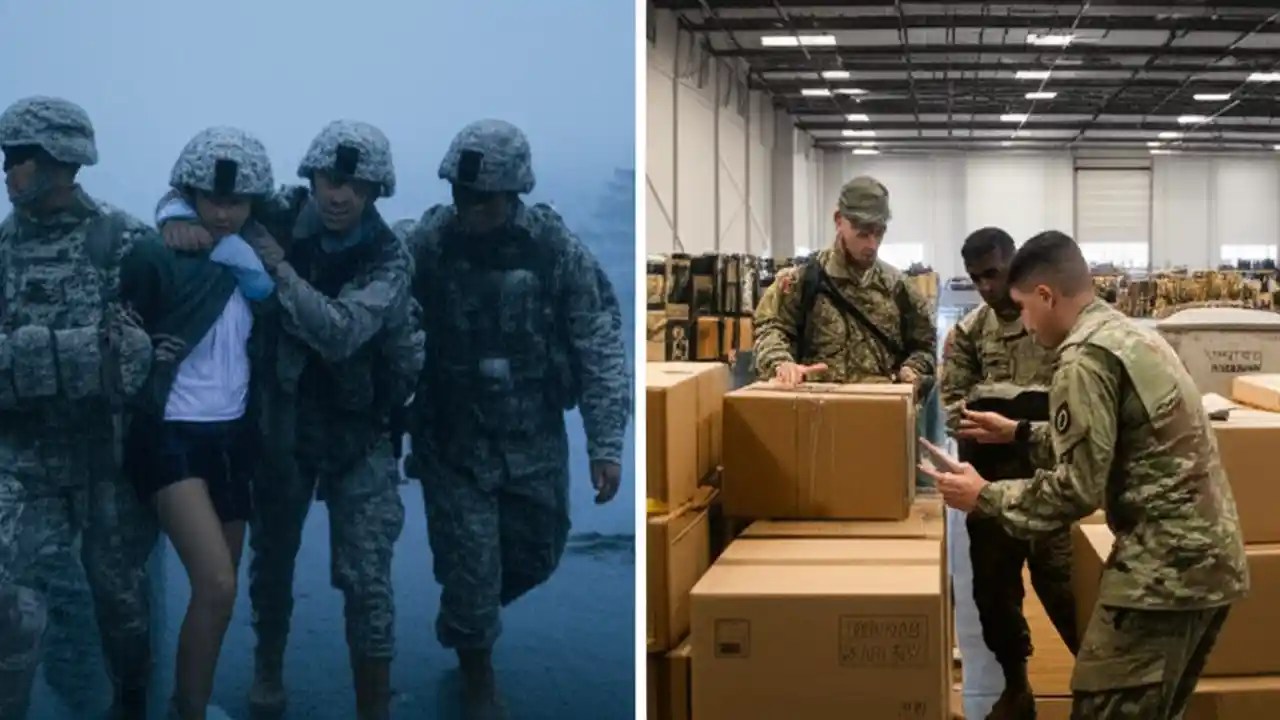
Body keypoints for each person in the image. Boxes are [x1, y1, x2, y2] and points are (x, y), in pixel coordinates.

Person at [156, 120, 424, 720]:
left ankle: (373, 707)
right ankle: (268, 673)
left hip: (362, 434)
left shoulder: (388, 258)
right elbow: (218, 193)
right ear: (312, 177)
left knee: (366, 579)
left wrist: (272, 263)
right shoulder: (280, 210)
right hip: (284, 425)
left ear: (376, 191)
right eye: (331, 178)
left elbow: (337, 332)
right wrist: (173, 210)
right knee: (271, 563)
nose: (339, 195)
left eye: (356, 184)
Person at [921, 231, 1249, 720]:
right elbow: (1108, 441)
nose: (1026, 327)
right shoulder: (1132, 335)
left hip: (1161, 575)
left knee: (1101, 706)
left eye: (1024, 308)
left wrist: (983, 496)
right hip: (1210, 561)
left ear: (1046, 297)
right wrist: (1016, 433)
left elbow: (1077, 488)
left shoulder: (1082, 358)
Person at [401, 119, 630, 719]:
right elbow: (377, 288)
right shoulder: (428, 242)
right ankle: (477, 672)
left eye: (483, 199)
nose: (469, 209)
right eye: (461, 195)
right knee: (473, 571)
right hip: (453, 439)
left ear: (513, 195)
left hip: (533, 438)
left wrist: (605, 444)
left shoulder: (553, 249)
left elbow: (599, 342)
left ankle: (465, 611)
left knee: (537, 555)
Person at [0, 95, 159, 720]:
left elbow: (139, 361)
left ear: (63, 162)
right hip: (24, 461)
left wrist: (28, 359)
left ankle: (132, 702)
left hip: (107, 460)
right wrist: (78, 358)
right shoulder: (4, 249)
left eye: (18, 159)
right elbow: (105, 358)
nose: (7, 171)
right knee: (12, 603)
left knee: (122, 606)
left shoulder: (124, 242)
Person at [121, 126, 278, 720]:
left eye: (235, 202)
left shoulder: (252, 252)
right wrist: (168, 216)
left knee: (222, 591)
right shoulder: (157, 252)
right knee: (215, 583)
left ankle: (190, 702)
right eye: (209, 199)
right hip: (169, 435)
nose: (222, 212)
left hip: (233, 435)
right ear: (188, 193)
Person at [939, 227, 1077, 719]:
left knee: (1064, 589)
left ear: (1014, 263)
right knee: (993, 594)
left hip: (1048, 482)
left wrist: (1013, 414)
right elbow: (953, 404)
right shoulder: (970, 333)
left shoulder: (1052, 319)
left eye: (993, 274)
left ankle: (1097, 687)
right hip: (991, 483)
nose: (985, 287)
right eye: (976, 278)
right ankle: (1016, 686)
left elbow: (1078, 405)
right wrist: (988, 416)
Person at [751, 175, 936, 394]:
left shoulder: (898, 288)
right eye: (863, 233)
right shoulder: (801, 281)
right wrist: (781, 364)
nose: (872, 244)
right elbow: (769, 330)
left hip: (882, 411)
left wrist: (912, 370)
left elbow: (925, 347)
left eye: (879, 233)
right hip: (817, 408)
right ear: (839, 220)